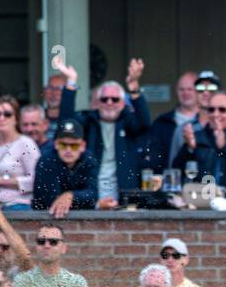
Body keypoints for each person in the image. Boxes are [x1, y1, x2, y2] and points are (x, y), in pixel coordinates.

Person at [53, 55, 152, 206]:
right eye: (104, 99)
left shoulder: (128, 122)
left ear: (123, 103)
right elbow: (65, 125)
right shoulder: (89, 120)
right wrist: (71, 83)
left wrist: (133, 85)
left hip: (125, 198)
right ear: (97, 103)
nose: (109, 103)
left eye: (115, 99)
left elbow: (145, 122)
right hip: (91, 197)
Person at [174, 90, 226, 190]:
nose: (215, 114)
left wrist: (224, 147)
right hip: (201, 199)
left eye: (222, 110)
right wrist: (189, 149)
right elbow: (176, 171)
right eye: (211, 110)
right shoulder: (197, 136)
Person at [0, 94, 41, 210]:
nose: (1, 118)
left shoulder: (26, 143)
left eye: (7, 114)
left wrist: (3, 181)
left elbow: (38, 181)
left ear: (16, 119)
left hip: (18, 206)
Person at [32, 118, 100, 216]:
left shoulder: (89, 159)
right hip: (44, 217)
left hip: (81, 218)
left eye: (74, 146)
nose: (68, 150)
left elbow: (93, 194)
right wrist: (85, 200)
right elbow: (53, 202)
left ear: (82, 146)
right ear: (56, 144)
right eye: (63, 145)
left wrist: (71, 196)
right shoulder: (46, 160)